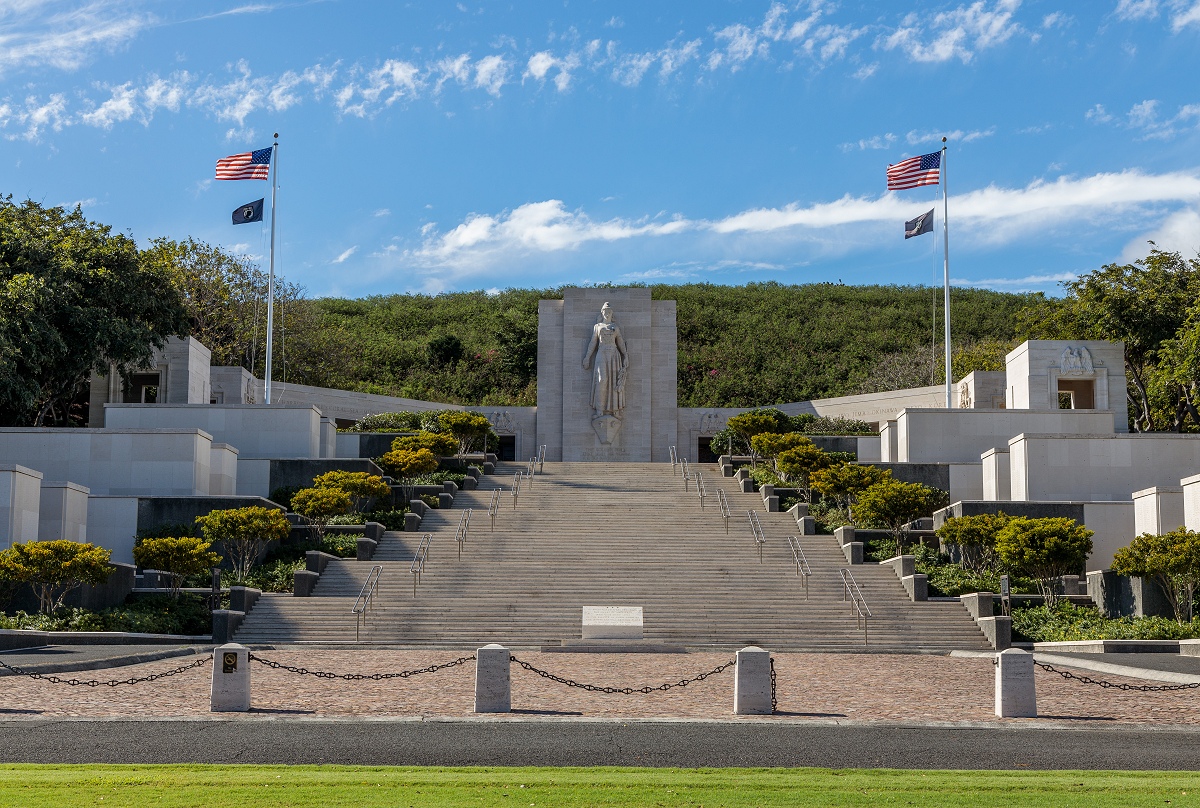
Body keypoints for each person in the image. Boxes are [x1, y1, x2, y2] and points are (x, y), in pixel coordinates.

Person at [582, 302, 628, 419]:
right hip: (601, 353)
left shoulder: (615, 327)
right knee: (602, 380)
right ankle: (599, 409)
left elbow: (621, 342)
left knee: (614, 381)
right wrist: (587, 357)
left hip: (614, 354)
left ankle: (615, 409)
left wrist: (625, 356)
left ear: (611, 313)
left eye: (609, 312)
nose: (607, 314)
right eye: (605, 311)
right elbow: (593, 342)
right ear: (602, 313)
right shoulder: (597, 327)